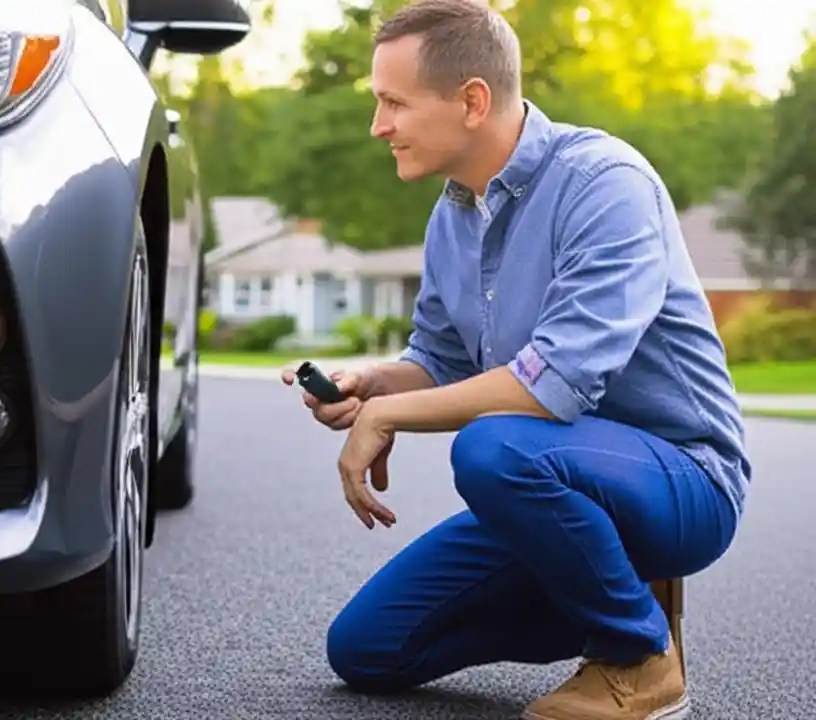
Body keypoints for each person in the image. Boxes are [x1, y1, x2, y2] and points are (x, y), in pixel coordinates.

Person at [279, 1, 750, 718]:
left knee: (492, 447)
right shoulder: (453, 216)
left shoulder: (604, 184)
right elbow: (439, 362)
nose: (378, 126)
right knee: (368, 649)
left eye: (392, 103)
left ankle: (639, 658)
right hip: (556, 482)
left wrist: (390, 414)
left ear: (472, 101)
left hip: (683, 480)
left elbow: (552, 386)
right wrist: (373, 383)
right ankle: (621, 590)